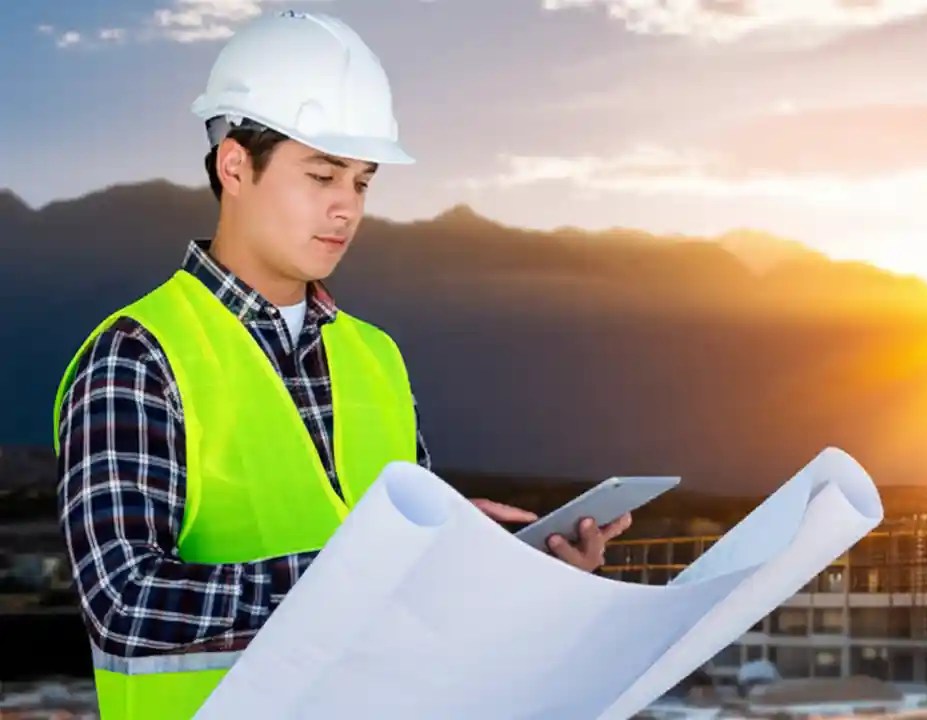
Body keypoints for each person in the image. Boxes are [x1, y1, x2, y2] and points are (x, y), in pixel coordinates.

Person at [51, 10, 631, 719]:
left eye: (361, 181)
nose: (346, 208)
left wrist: (504, 573)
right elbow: (124, 608)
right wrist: (376, 573)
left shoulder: (375, 357)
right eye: (322, 174)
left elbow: (420, 610)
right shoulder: (139, 356)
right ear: (235, 165)